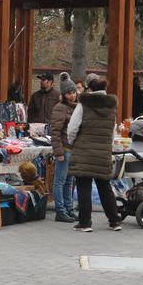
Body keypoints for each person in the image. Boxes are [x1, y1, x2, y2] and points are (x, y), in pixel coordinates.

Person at [66, 78, 122, 231]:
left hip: (83, 151)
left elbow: (72, 128)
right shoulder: (111, 107)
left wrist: (73, 142)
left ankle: (85, 223)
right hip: (103, 152)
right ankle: (114, 221)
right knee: (105, 186)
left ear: (89, 89)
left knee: (84, 186)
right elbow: (112, 132)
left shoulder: (83, 105)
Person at [48, 72, 78, 223]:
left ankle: (69, 209)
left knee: (69, 182)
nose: (72, 95)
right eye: (69, 93)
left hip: (73, 150)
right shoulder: (60, 108)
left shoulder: (76, 107)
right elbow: (55, 132)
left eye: (73, 92)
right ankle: (60, 211)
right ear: (64, 94)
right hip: (64, 150)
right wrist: (58, 152)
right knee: (59, 182)